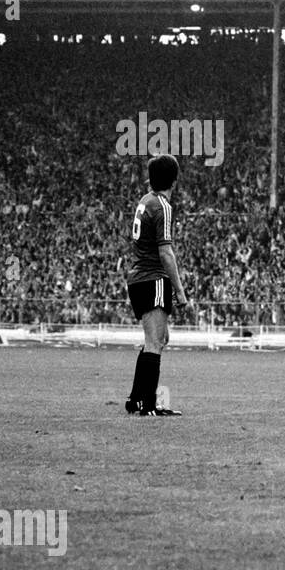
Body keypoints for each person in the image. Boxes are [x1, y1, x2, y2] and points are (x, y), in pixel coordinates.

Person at [124, 154, 189, 416]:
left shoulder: (145, 201)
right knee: (155, 342)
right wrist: (180, 291)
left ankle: (136, 400)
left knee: (157, 340)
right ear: (174, 180)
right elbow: (166, 253)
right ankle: (147, 405)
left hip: (138, 278)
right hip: (153, 278)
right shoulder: (162, 206)